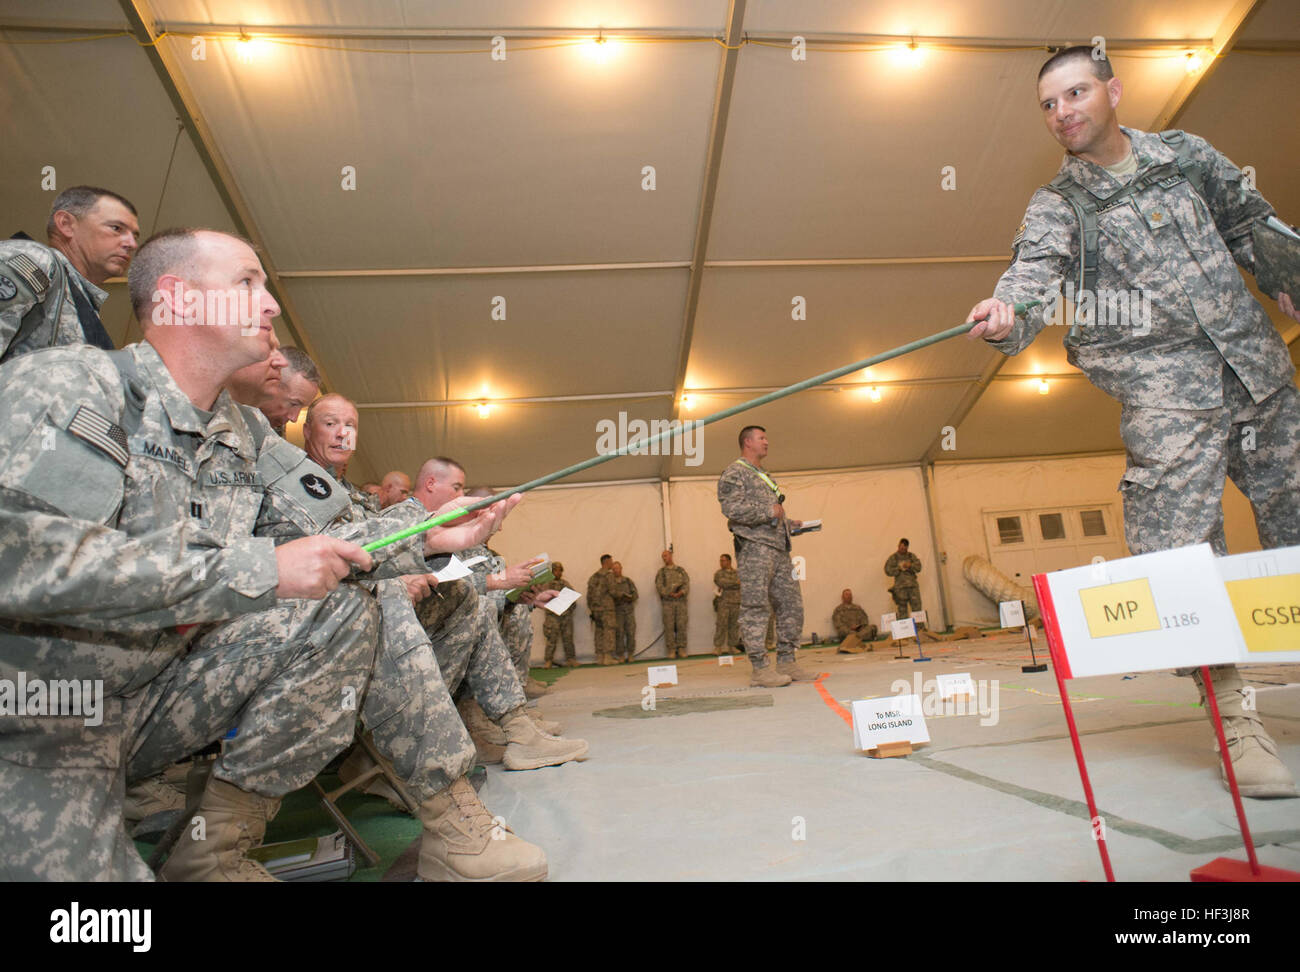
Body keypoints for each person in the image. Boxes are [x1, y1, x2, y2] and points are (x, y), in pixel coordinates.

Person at [0, 228, 510, 881]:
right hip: (42, 715)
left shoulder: (236, 438)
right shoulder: (68, 385)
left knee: (342, 607)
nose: (269, 304)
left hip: (147, 700)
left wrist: (433, 534)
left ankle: (209, 855)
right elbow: (26, 559)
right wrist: (258, 569)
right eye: (246, 283)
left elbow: (325, 543)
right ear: (179, 300)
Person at [965, 46, 1299, 799]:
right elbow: (1031, 277)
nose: (1063, 113)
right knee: (1182, 557)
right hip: (1166, 398)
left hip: (1256, 373)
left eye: (1076, 93)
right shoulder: (1060, 205)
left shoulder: (1185, 156)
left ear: (1113, 90)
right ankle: (1235, 717)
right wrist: (1004, 313)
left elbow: (1250, 223)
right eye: (1049, 105)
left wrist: (1287, 277)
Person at [408, 458, 586, 769]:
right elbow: (439, 586)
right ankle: (499, 724)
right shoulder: (409, 530)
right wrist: (499, 583)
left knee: (491, 610)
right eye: (457, 487)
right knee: (479, 609)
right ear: (431, 483)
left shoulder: (441, 535)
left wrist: (521, 596)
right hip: (413, 638)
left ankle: (513, 724)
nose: (461, 497)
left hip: (432, 630)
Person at [716, 426, 816, 687]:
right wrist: (768, 511)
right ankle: (760, 668)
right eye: (762, 438)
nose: (767, 442)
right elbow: (732, 508)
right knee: (756, 607)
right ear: (747, 442)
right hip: (754, 549)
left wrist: (789, 524)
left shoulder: (763, 475)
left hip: (780, 549)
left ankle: (787, 661)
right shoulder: (735, 472)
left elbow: (772, 514)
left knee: (791, 604)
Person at [1, 185, 139, 362]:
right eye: (116, 228)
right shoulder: (34, 260)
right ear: (66, 224)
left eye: (135, 236)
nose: (132, 244)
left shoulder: (78, 299)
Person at [540, 562, 580, 668]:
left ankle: (571, 659)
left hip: (565, 615)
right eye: (556, 570)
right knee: (551, 639)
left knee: (568, 638)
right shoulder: (547, 584)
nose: (558, 573)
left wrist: (569, 609)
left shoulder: (565, 584)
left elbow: (573, 598)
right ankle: (548, 660)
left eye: (560, 570)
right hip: (552, 616)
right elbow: (542, 599)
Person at [655, 550, 690, 659]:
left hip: (680, 602)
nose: (664, 558)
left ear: (671, 556)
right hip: (668, 603)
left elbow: (686, 584)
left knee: (681, 626)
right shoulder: (661, 572)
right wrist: (669, 593)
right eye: (663, 557)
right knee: (669, 626)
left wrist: (681, 593)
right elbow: (659, 587)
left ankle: (681, 649)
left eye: (665, 556)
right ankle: (671, 650)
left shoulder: (680, 570)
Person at [586, 554, 618, 665]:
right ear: (606, 561)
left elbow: (589, 595)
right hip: (607, 609)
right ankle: (607, 657)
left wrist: (592, 608)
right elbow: (614, 592)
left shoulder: (593, 577)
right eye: (611, 561)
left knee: (599, 632)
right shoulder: (609, 576)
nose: (612, 563)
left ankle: (599, 657)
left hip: (596, 610)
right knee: (609, 631)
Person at [884, 539, 923, 624]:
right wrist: (899, 568)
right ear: (898, 546)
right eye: (900, 547)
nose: (901, 549)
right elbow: (887, 570)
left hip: (913, 588)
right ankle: (905, 633)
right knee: (902, 611)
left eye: (904, 548)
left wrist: (910, 565)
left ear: (907, 548)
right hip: (900, 589)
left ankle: (920, 631)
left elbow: (919, 567)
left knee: (917, 611)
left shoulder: (911, 556)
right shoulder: (893, 558)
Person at [712, 553, 742, 655]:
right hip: (723, 603)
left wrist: (731, 584)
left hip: (736, 602)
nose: (721, 562)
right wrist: (735, 583)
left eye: (723, 560)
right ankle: (718, 647)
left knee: (734, 625)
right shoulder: (718, 573)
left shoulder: (737, 573)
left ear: (729, 561)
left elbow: (741, 584)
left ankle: (732, 646)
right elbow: (721, 583)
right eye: (720, 560)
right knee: (721, 625)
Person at [609, 561, 638, 662]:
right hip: (617, 612)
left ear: (621, 568)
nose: (616, 570)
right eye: (614, 569)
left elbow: (635, 595)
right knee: (619, 633)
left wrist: (629, 597)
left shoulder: (628, 581)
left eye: (618, 568)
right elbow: (608, 598)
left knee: (631, 632)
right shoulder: (611, 583)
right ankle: (620, 655)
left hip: (629, 611)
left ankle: (630, 654)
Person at [832, 589, 876, 653]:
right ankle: (859, 637)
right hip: (848, 632)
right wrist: (850, 629)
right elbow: (838, 625)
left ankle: (857, 637)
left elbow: (865, 620)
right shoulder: (838, 610)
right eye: (847, 595)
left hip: (859, 630)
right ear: (842, 597)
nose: (849, 596)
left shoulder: (857, 608)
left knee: (873, 627)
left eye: (850, 595)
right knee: (843, 631)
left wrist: (859, 626)